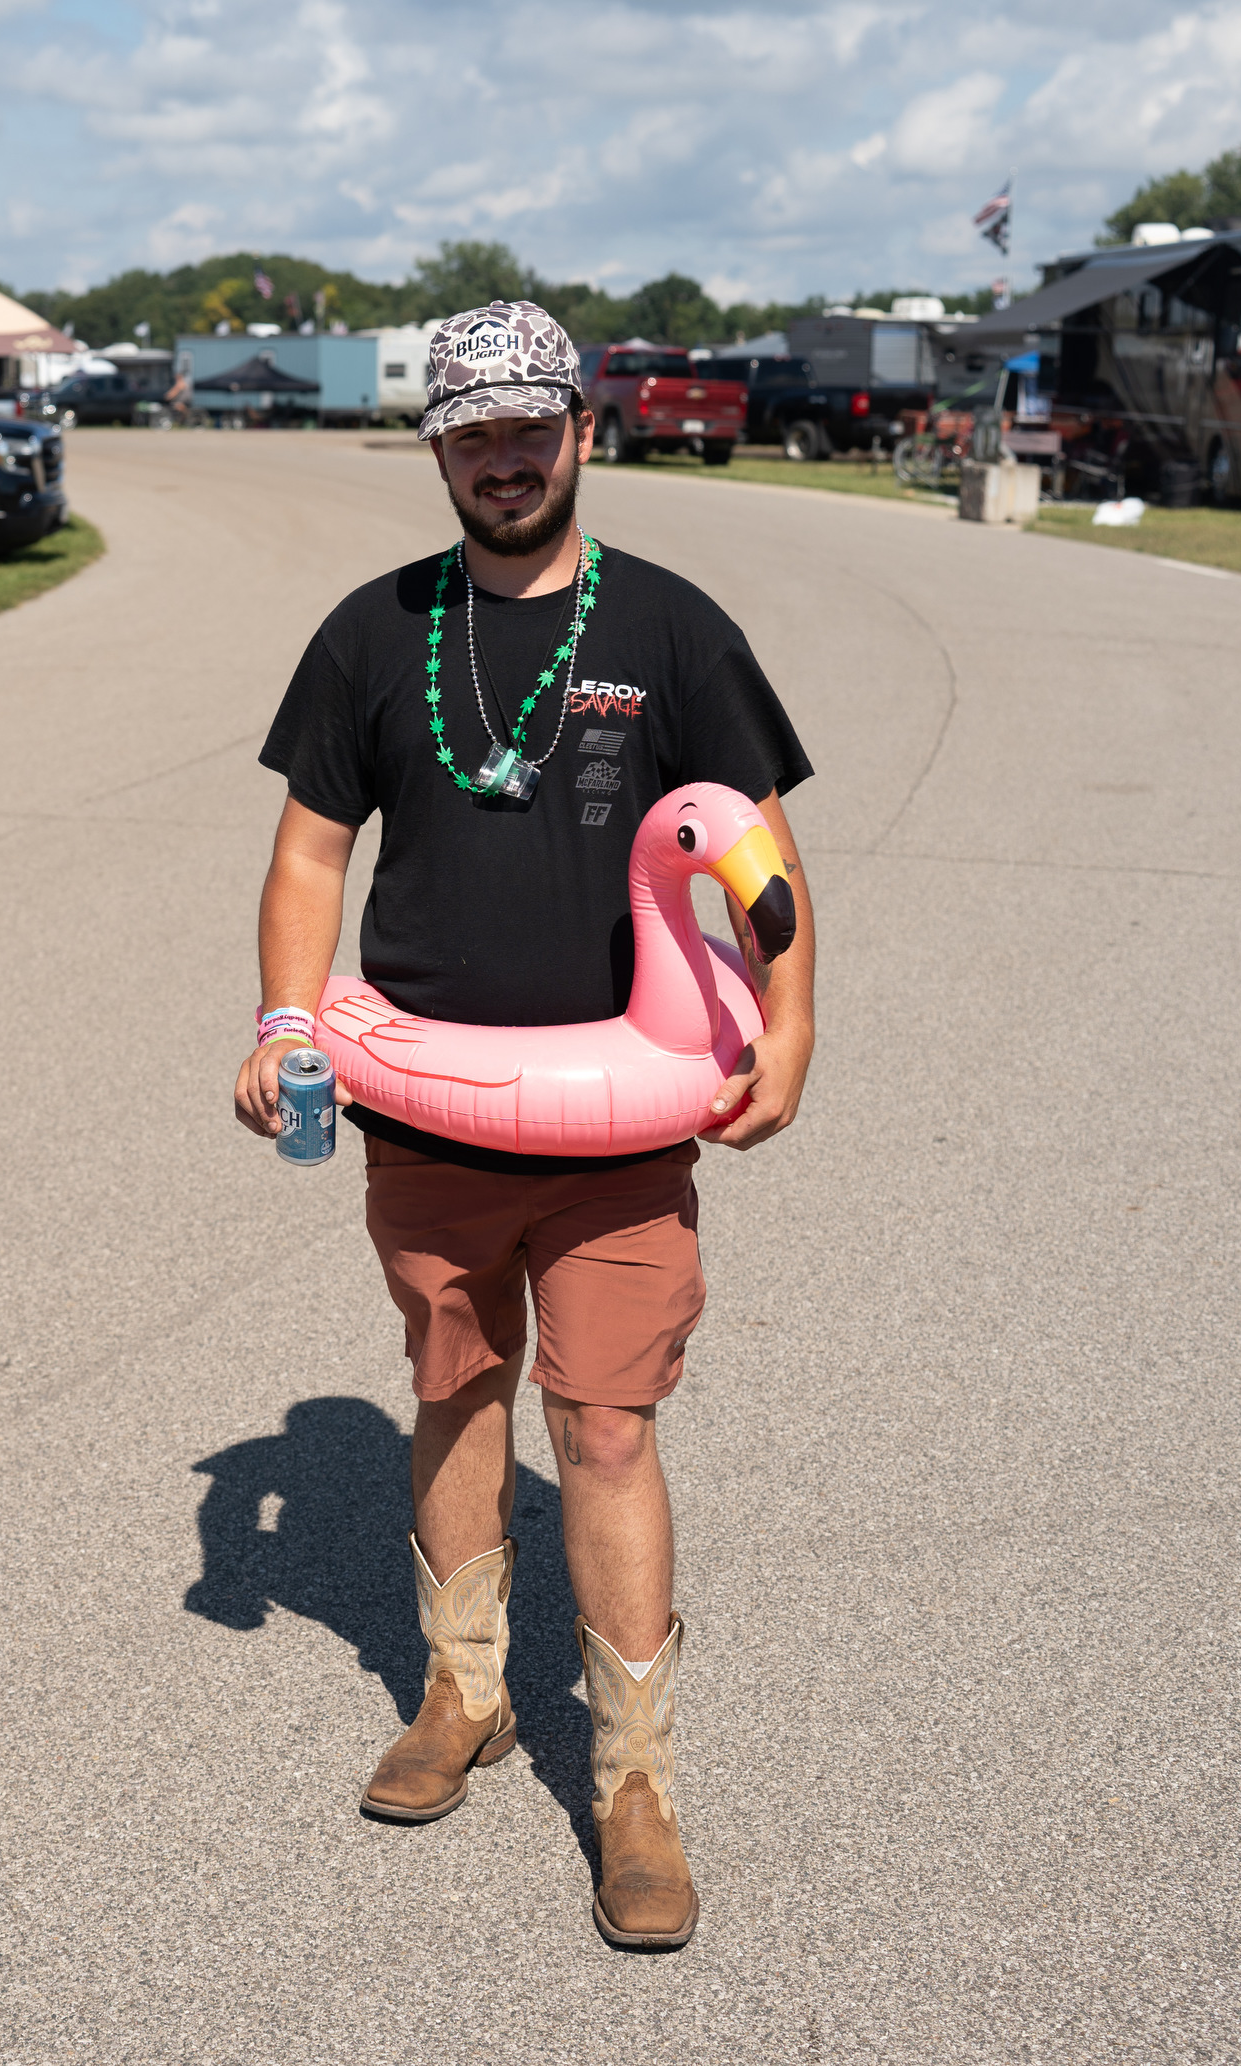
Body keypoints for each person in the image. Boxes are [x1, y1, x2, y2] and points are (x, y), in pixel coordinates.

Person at [233, 302, 816, 1951]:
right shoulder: (372, 631)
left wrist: (797, 1030)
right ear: (437, 446)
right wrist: (289, 1021)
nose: (503, 455)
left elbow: (754, 849)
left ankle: (634, 1782)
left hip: (622, 1132)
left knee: (609, 1429)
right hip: (430, 1122)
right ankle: (463, 1695)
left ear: (582, 426)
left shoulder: (678, 630)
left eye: (528, 424)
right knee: (451, 1384)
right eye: (470, 429)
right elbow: (304, 859)